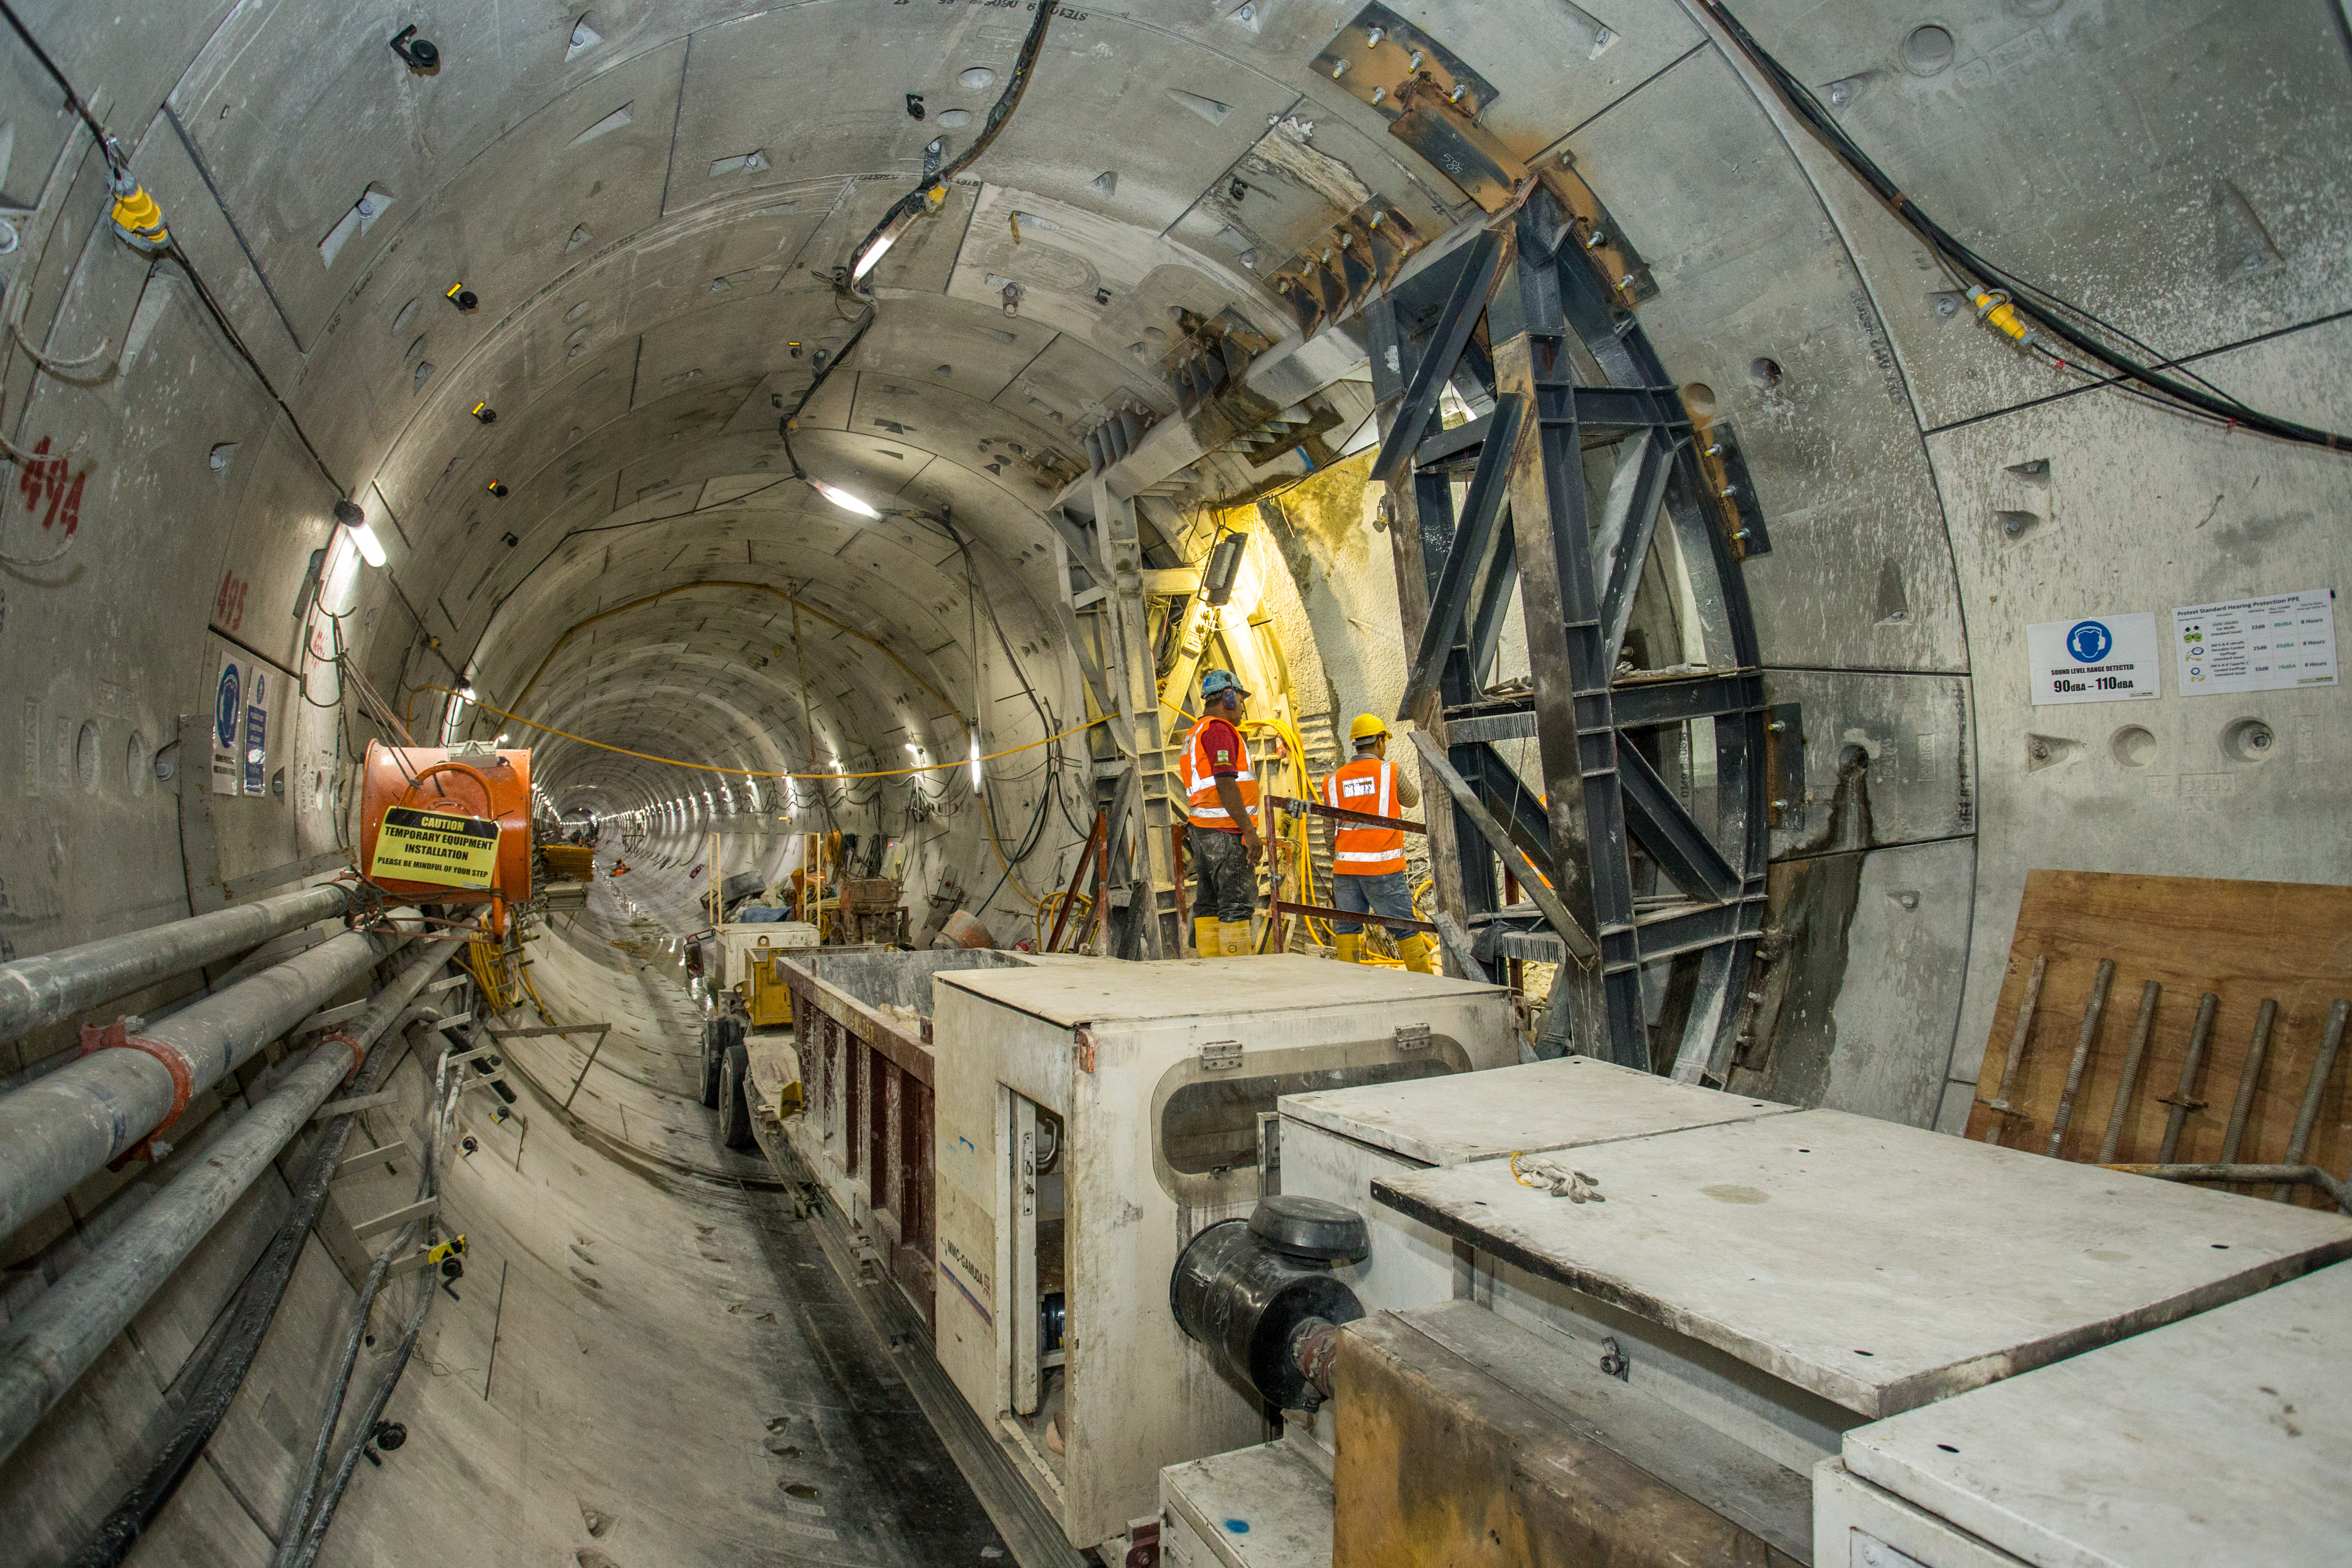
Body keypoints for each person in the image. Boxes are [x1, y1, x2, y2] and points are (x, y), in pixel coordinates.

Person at [1320, 713, 1436, 974]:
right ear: (1380, 742)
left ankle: (1351, 985)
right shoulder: (1389, 772)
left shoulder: (1333, 780)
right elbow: (1412, 799)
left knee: (1347, 926)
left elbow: (1329, 828)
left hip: (1346, 871)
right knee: (1405, 926)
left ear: (1356, 745)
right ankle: (1425, 982)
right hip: (1383, 868)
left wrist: (1339, 857)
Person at [1183, 668, 1265, 956]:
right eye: (1241, 701)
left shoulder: (1196, 732)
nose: (1243, 708)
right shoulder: (1219, 731)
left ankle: (1212, 971)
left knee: (1209, 902)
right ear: (1228, 698)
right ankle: (1236, 976)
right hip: (1226, 831)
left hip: (1203, 831)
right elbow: (1226, 782)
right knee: (1237, 902)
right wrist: (1250, 832)